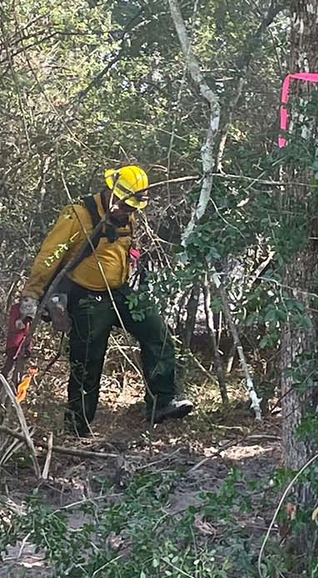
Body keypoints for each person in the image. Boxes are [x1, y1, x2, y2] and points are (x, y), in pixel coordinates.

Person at [16, 165, 194, 436]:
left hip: (120, 291)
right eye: (124, 205)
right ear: (112, 192)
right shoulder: (78, 214)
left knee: (156, 330)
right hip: (87, 295)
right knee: (87, 360)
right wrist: (32, 294)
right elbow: (49, 255)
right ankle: (77, 427)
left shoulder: (128, 216)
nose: (127, 212)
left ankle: (162, 401)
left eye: (132, 207)